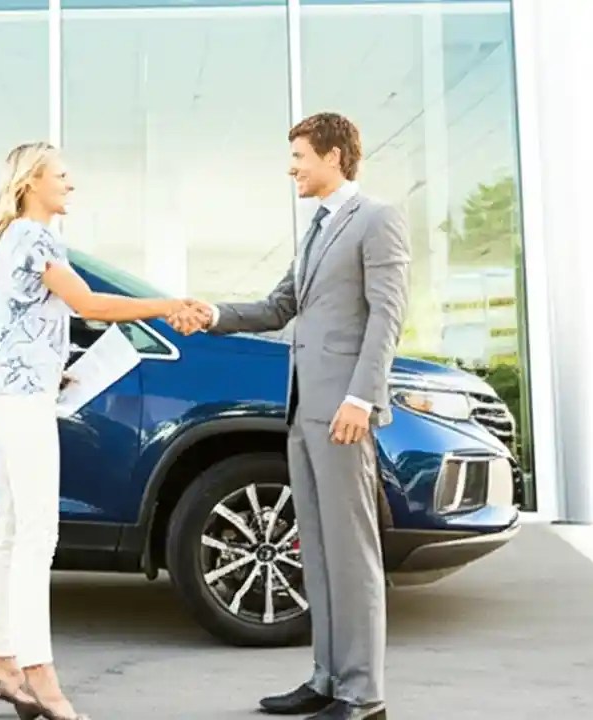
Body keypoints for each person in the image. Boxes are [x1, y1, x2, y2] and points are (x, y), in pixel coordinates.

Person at [170, 112, 410, 720]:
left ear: (333, 156)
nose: (292, 168)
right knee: (320, 551)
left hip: (343, 412)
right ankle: (327, 679)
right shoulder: (317, 229)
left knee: (352, 553)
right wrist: (212, 314)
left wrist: (362, 397)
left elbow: (386, 316)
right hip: (304, 410)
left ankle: (363, 695)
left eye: (300, 156)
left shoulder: (377, 220)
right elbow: (280, 307)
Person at [0, 142, 192, 720]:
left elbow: (30, 323)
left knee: (11, 535)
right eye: (61, 175)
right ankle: (40, 676)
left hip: (9, 393)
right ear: (31, 181)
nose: (71, 185)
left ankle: (5, 667)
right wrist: (167, 305)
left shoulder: (11, 239)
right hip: (22, 402)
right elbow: (87, 304)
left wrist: (56, 367)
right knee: (36, 538)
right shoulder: (36, 238)